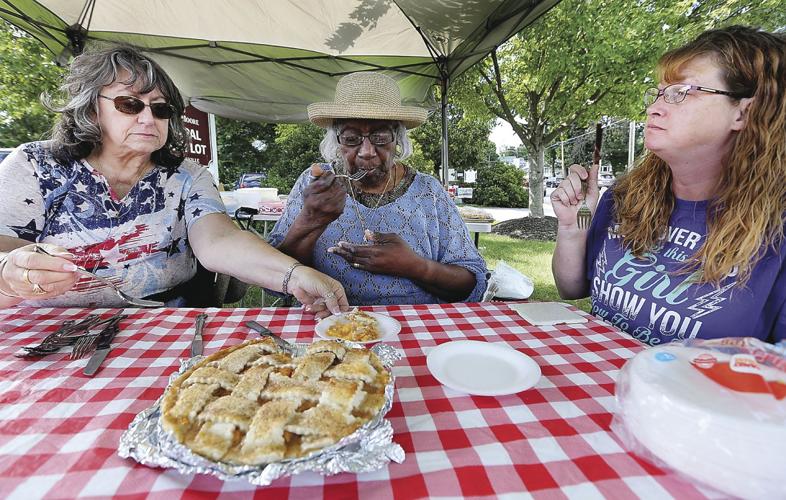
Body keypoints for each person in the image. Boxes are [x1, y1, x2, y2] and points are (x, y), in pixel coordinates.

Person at [0, 45, 348, 318]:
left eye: (161, 109)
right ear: (91, 108)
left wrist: (294, 275)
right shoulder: (35, 165)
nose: (148, 117)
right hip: (49, 330)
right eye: (130, 104)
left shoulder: (187, 176)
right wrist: (9, 272)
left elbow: (220, 241)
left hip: (162, 324)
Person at [551, 26, 785, 345]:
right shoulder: (624, 198)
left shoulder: (776, 234)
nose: (653, 108)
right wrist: (572, 229)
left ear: (744, 112)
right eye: (659, 93)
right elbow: (573, 289)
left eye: (680, 93)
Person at [267, 72, 488, 306]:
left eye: (380, 136)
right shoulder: (313, 184)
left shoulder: (428, 191)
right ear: (336, 140)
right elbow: (273, 281)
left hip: (416, 325)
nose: (367, 151)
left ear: (398, 139)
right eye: (351, 138)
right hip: (327, 320)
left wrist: (415, 267)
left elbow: (471, 284)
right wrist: (310, 220)